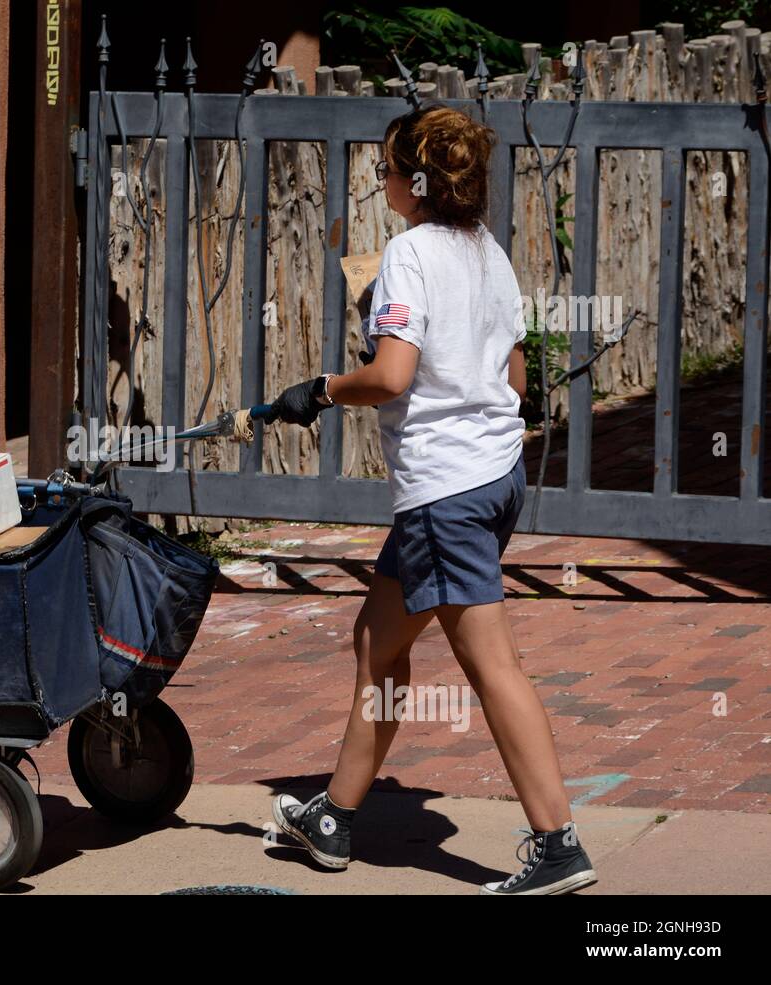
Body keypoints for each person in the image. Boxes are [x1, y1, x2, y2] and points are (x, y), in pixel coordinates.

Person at [267, 104, 596, 895]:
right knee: (377, 640)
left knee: (492, 666)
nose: (380, 180)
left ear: (413, 182)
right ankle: (336, 816)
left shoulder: (408, 255)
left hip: (446, 493)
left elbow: (390, 376)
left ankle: (559, 845)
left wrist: (321, 389)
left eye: (384, 168)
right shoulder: (490, 253)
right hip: (492, 477)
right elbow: (516, 378)